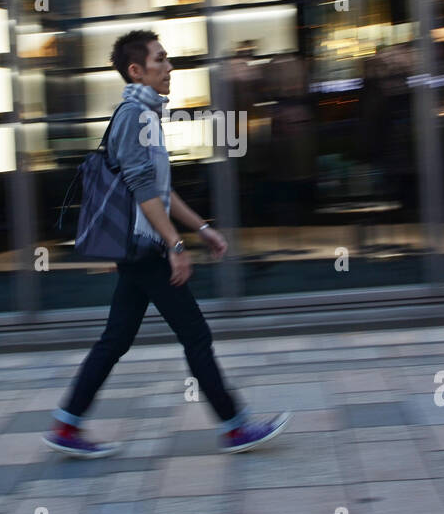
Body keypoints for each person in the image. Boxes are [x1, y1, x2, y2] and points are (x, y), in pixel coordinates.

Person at [44, 29, 291, 457]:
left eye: (168, 59)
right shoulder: (137, 117)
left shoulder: (144, 115)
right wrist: (175, 247)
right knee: (195, 334)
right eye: (160, 60)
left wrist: (202, 228)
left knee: (116, 338)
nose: (169, 67)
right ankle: (235, 427)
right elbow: (143, 191)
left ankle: (66, 426)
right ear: (136, 70)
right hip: (146, 249)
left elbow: (161, 190)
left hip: (139, 248)